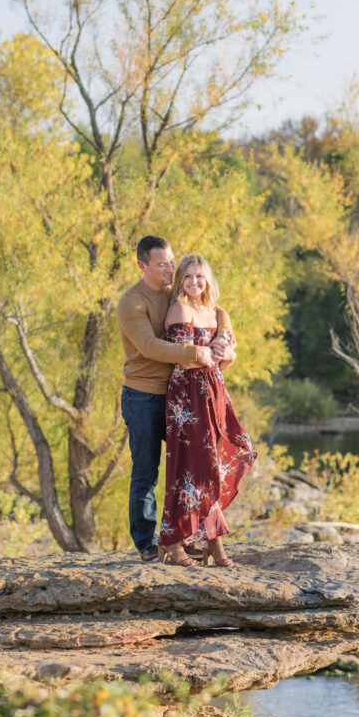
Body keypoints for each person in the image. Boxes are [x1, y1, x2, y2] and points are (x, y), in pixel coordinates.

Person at [116, 236, 235, 562]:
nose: (170, 268)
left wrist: (225, 338)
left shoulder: (175, 292)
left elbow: (211, 307)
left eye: (171, 262)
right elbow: (149, 347)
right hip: (143, 395)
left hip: (180, 397)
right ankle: (148, 544)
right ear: (142, 266)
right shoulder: (132, 302)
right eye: (162, 264)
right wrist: (198, 352)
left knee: (194, 466)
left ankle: (186, 535)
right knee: (146, 472)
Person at [158, 254, 256, 567]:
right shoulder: (179, 308)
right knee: (188, 469)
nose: (194, 282)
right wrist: (214, 353)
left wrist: (224, 355)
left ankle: (211, 540)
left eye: (199, 276)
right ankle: (174, 541)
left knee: (214, 466)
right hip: (187, 397)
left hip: (214, 392)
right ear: (180, 280)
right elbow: (184, 359)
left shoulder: (215, 312)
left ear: (208, 279)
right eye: (188, 276)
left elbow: (222, 362)